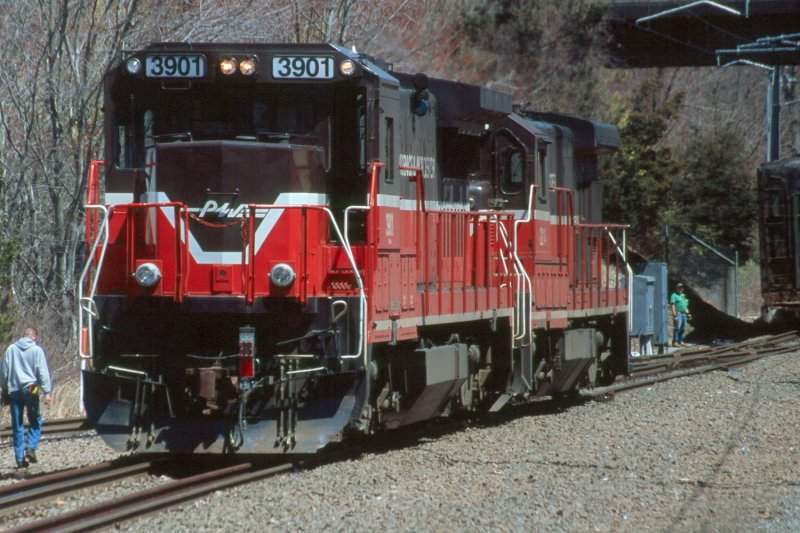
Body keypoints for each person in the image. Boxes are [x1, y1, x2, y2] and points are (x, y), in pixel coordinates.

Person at [1, 327, 52, 470]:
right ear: (34, 337)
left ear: (24, 336)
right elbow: (42, 372)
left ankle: (19, 458)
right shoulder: (37, 350)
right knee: (35, 418)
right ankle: (31, 447)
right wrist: (47, 392)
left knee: (17, 424)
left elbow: (4, 372)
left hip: (15, 388)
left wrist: (5, 390)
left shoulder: (11, 349)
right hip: (31, 387)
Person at [670, 283, 691, 347]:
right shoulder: (674, 295)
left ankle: (681, 341)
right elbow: (673, 304)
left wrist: (688, 313)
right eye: (679, 288)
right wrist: (674, 313)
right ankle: (675, 342)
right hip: (678, 313)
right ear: (676, 288)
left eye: (681, 288)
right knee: (677, 327)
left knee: (682, 328)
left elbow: (685, 305)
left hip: (683, 313)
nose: (680, 289)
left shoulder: (683, 295)